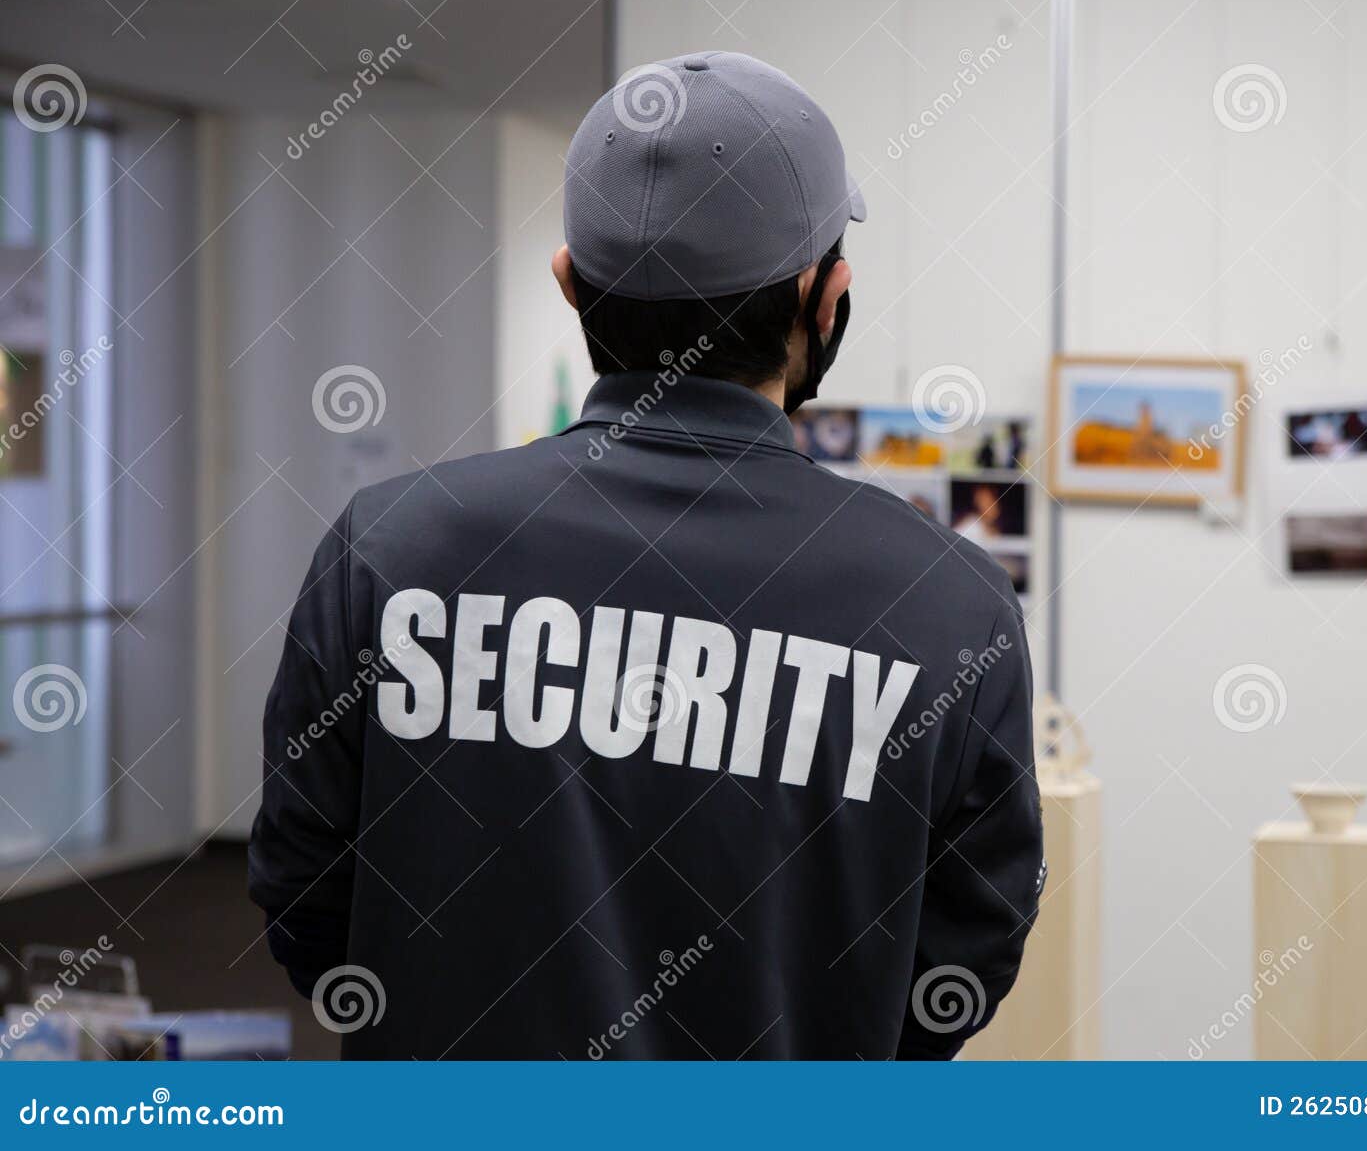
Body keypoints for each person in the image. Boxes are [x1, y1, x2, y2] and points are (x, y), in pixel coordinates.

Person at [248, 51, 1043, 1060]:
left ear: (571, 283)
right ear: (824, 296)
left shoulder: (394, 543)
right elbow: (963, 959)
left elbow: (305, 889)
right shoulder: (949, 601)